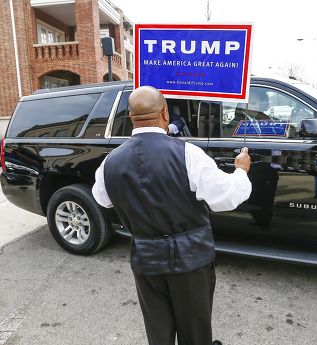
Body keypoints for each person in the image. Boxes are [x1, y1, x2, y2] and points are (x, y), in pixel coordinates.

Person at [92, 86, 252, 345]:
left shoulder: (110, 161)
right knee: (195, 335)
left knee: (159, 334)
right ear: (165, 112)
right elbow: (228, 197)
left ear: (131, 116)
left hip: (146, 260)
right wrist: (241, 170)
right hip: (190, 261)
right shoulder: (187, 153)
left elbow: (102, 198)